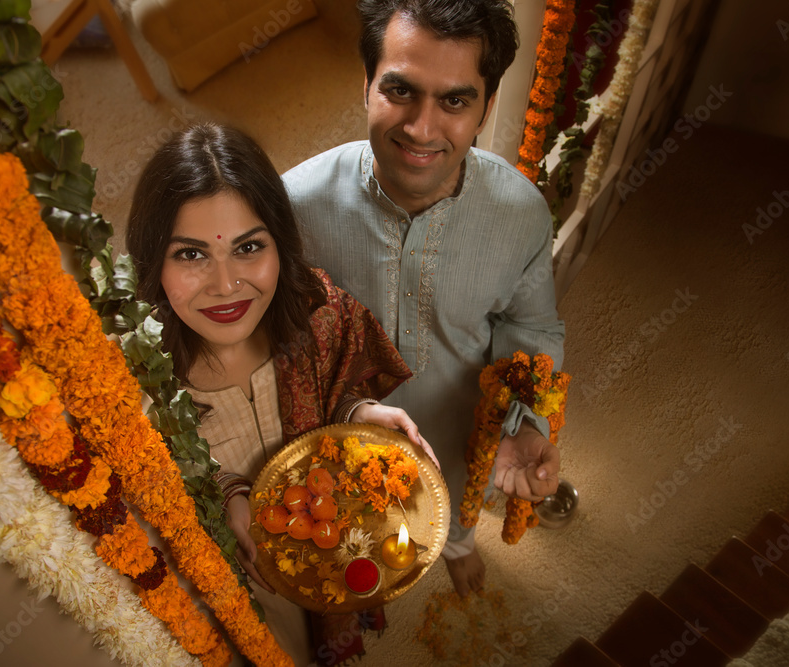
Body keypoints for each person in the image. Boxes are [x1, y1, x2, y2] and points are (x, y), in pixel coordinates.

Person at [283, 0, 566, 597]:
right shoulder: (293, 209)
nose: (420, 128)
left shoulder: (521, 214)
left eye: (455, 101)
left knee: (457, 511)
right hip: (340, 436)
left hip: (458, 430)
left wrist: (525, 420)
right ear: (366, 86)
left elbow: (532, 328)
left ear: (487, 107)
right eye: (401, 90)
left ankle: (458, 545)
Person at [126, 123, 433, 665]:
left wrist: (361, 413)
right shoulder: (141, 382)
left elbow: (340, 387)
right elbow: (159, 484)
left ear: (279, 242)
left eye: (248, 247)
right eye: (192, 256)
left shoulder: (318, 312)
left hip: (326, 531)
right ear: (154, 260)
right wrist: (228, 497)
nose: (225, 285)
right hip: (250, 586)